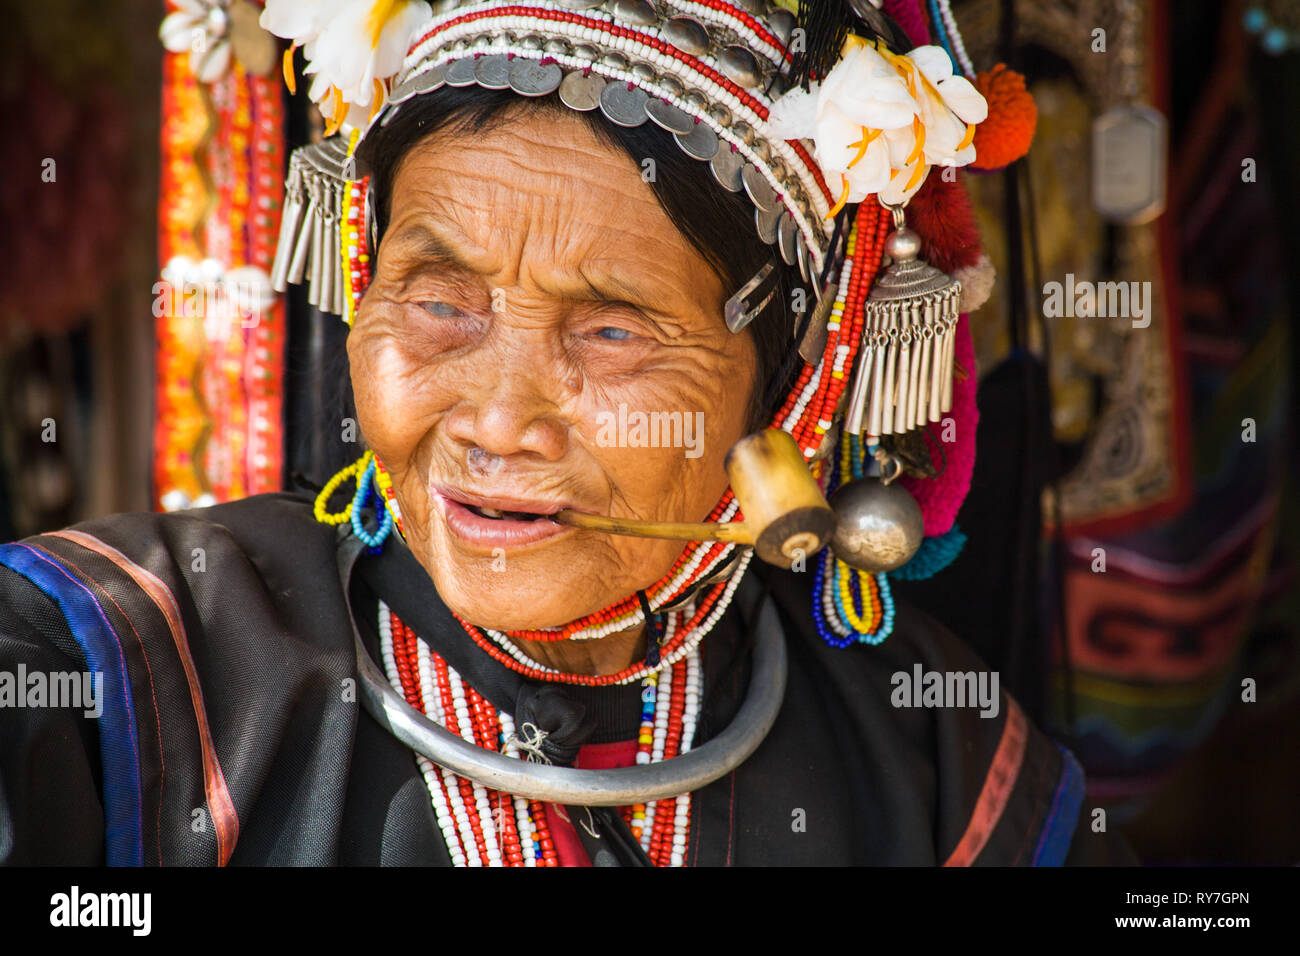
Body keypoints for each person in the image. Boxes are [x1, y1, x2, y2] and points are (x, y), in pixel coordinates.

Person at [0, 0, 1133, 866]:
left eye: (608, 332)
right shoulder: (118, 670)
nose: (498, 419)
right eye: (438, 304)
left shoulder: (931, 760)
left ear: (795, 380)